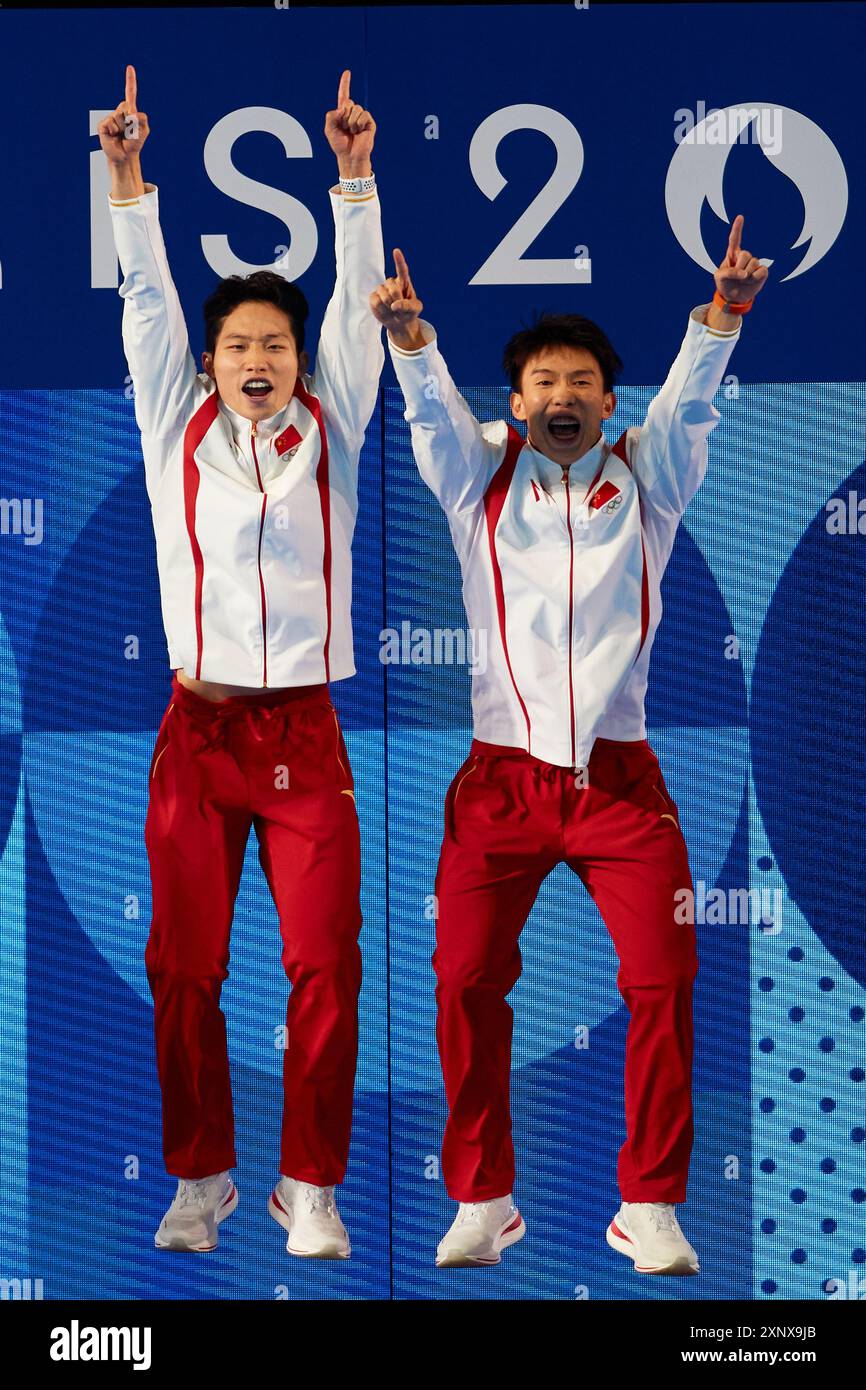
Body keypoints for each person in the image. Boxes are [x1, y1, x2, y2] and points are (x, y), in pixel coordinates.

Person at [370, 221, 767, 1272]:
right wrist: (411, 341)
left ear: (604, 401)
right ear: (515, 403)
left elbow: (687, 403)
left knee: (661, 978)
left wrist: (720, 316)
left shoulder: (651, 478)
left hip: (620, 786)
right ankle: (483, 1197)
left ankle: (646, 1204)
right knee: (460, 979)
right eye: (541, 378)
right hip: (500, 783)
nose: (560, 393)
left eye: (581, 380)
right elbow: (427, 413)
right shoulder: (474, 486)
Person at [100, 64, 384, 1257]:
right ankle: (202, 1178)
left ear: (298, 358)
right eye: (237, 344)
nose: (255, 356)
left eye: (274, 340)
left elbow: (364, 304)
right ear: (210, 362)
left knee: (324, 963)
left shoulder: (336, 421)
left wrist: (355, 180)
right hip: (200, 736)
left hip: (304, 737)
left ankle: (305, 1185)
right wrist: (127, 180)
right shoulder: (175, 423)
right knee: (186, 970)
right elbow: (148, 306)